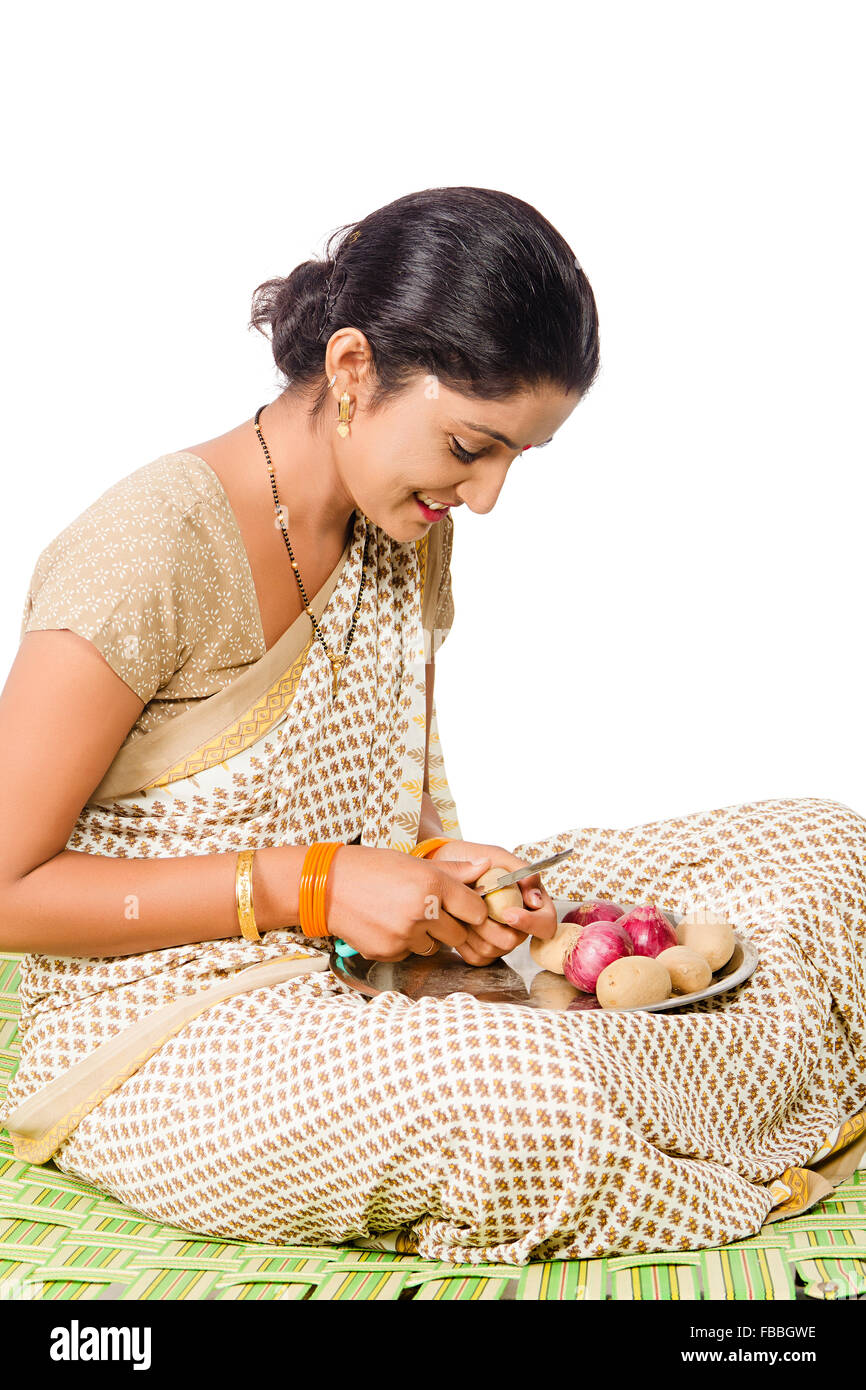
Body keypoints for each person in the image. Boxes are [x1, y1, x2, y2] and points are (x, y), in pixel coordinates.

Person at [0, 187, 863, 1265]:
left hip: (352, 967)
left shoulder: (401, 522)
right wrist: (305, 884)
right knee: (524, 1095)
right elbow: (4, 888)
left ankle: (693, 1087)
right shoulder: (149, 548)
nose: (487, 496)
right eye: (469, 445)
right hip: (166, 1031)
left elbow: (374, 808)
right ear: (353, 369)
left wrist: (445, 875)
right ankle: (726, 1088)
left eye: (515, 457)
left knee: (825, 846)